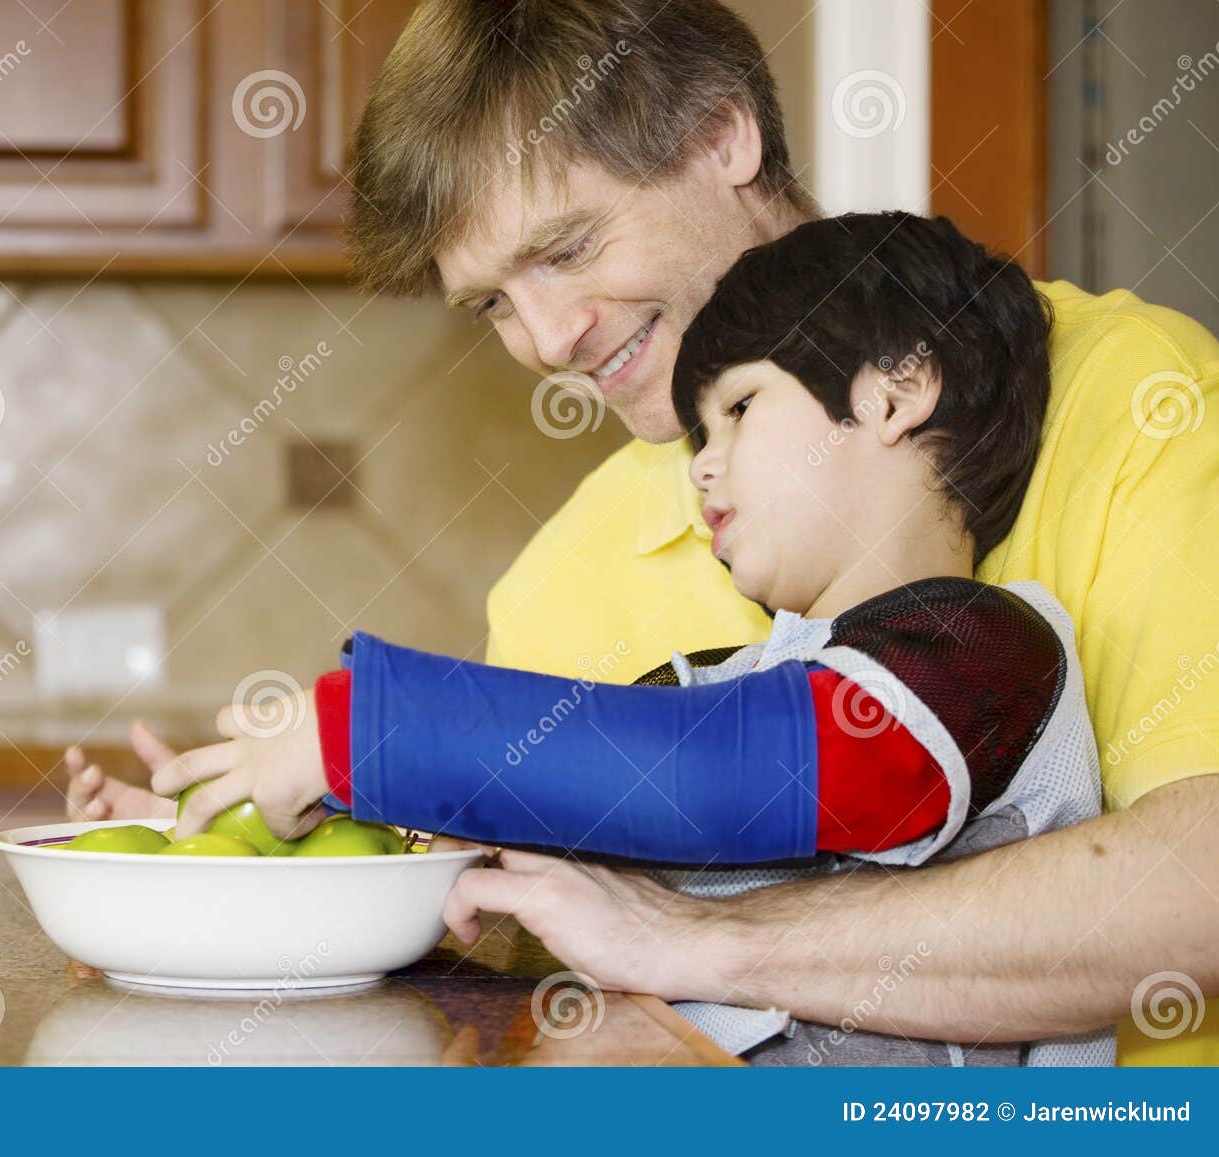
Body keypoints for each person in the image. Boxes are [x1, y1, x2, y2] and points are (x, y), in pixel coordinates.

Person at [70, 0, 1219, 1063]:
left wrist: (708, 941)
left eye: (565, 249)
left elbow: (1199, 886)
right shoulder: (566, 572)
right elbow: (530, 910)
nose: (546, 339)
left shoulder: (1139, 402)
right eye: (491, 304)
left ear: (722, 135)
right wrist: (224, 861)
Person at [142, 210, 1110, 1066]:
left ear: (895, 392)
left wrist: (364, 732)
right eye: (696, 438)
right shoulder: (729, 679)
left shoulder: (984, 649)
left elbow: (717, 769)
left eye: (736, 409)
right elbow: (582, 798)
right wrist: (233, 828)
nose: (702, 469)